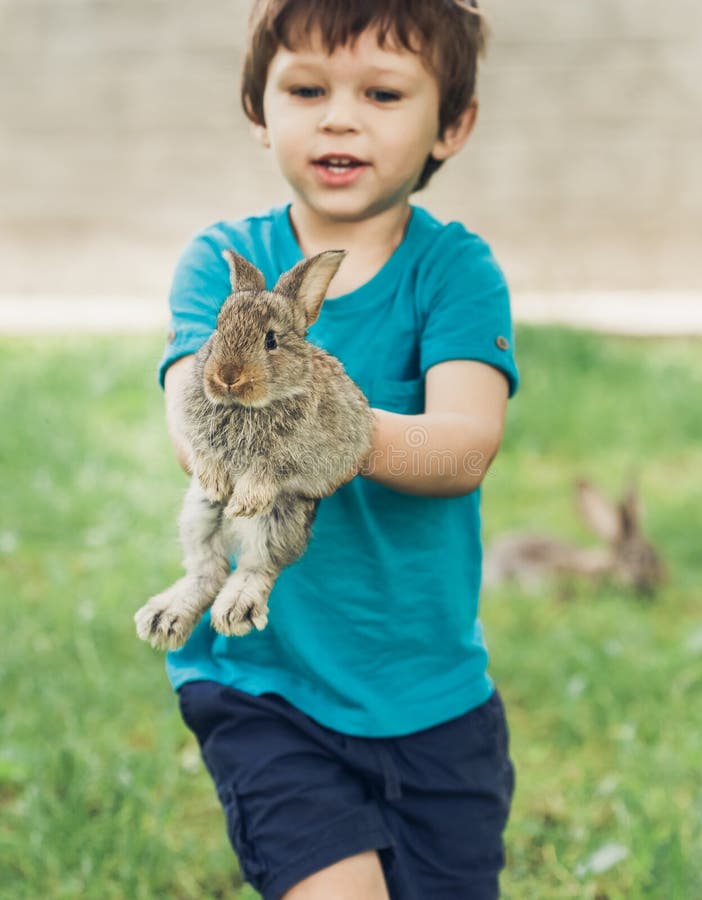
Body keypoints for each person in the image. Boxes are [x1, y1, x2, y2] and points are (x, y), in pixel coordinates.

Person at [157, 1, 519, 897]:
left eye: (384, 92)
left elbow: (465, 446)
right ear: (259, 109)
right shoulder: (222, 261)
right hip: (266, 686)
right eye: (307, 88)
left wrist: (331, 429)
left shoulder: (456, 273)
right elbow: (189, 413)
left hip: (432, 695)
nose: (339, 116)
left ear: (454, 125)